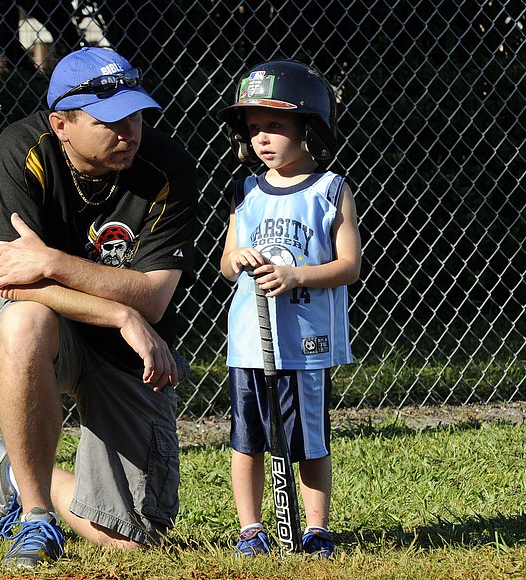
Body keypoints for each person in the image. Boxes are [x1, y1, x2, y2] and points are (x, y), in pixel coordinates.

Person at [0, 46, 198, 569]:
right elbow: (10, 280)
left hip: (126, 351)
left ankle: (17, 469)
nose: (128, 132)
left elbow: (154, 296)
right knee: (24, 322)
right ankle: (36, 516)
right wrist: (120, 312)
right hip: (61, 324)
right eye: (108, 120)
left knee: (130, 540)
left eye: (135, 115)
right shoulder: (24, 148)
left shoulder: (169, 166)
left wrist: (50, 261)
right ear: (62, 125)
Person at [216, 60, 361, 557]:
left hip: (304, 344)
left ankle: (316, 528)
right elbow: (225, 263)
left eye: (275, 125)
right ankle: (251, 529)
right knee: (247, 440)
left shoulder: (330, 190)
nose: (262, 138)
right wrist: (237, 257)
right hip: (251, 343)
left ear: (308, 127)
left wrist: (297, 276)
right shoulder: (244, 192)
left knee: (309, 441)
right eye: (254, 127)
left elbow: (349, 266)